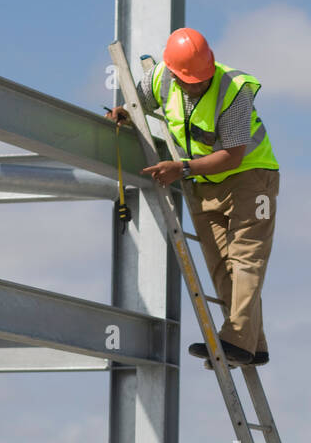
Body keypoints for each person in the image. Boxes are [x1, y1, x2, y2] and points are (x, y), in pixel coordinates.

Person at [106, 27, 279, 368]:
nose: (198, 85)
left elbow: (233, 155)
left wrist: (182, 168)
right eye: (190, 80)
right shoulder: (161, 78)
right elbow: (139, 101)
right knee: (220, 264)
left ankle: (236, 339)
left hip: (250, 177)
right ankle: (252, 344)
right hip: (203, 182)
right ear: (173, 72)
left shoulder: (233, 90)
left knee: (246, 259)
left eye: (202, 79)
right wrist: (124, 112)